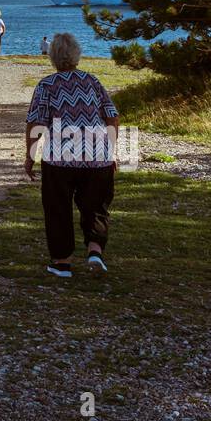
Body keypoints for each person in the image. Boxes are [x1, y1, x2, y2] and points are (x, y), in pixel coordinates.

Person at [24, 32, 120, 279]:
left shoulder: (47, 85)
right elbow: (112, 116)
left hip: (60, 158)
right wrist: (110, 150)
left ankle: (62, 263)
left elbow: (36, 124)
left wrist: (30, 156)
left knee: (58, 208)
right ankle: (95, 251)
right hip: (97, 155)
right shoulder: (93, 81)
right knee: (96, 205)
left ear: (52, 56)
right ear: (77, 54)